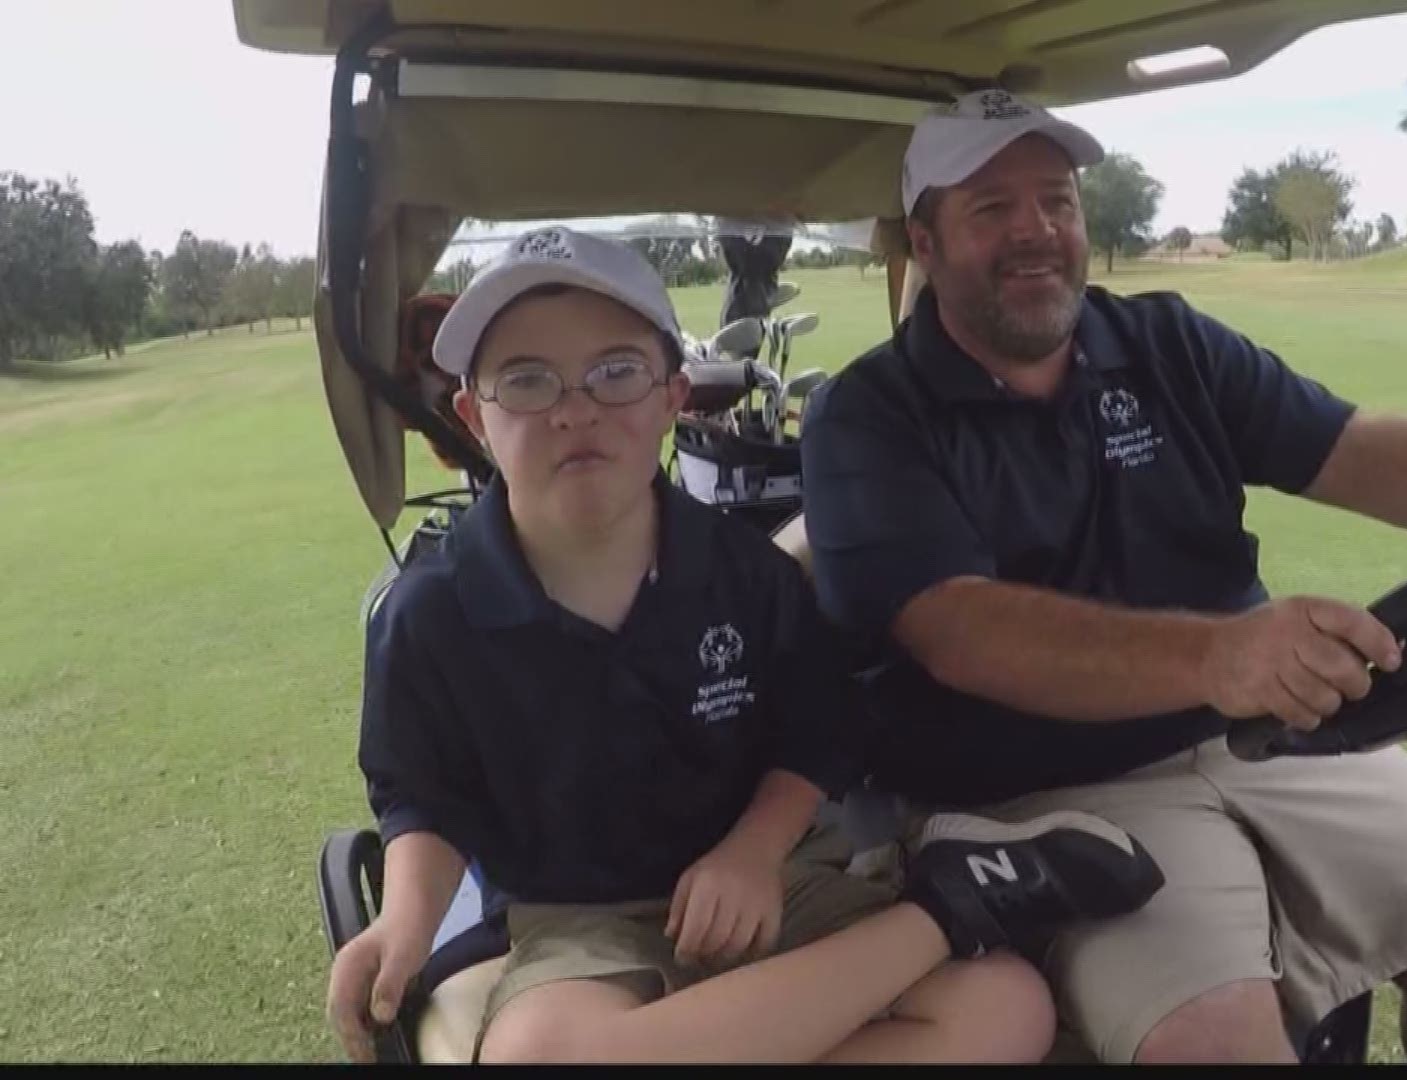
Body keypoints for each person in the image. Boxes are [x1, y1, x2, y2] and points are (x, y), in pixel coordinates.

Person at [800, 90, 1407, 1064]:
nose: (1037, 231)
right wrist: (1221, 655)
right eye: (991, 209)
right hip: (1043, 788)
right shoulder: (869, 417)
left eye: (1058, 201)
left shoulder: (1164, 343)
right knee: (1217, 1045)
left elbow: (1349, 445)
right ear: (927, 245)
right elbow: (958, 630)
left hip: (1260, 736)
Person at [324, 226, 1166, 1065]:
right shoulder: (430, 612)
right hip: (578, 924)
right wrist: (404, 923)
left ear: (671, 398)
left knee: (1005, 1006)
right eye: (528, 380)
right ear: (473, 415)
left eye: (615, 372)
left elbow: (819, 733)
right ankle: (941, 918)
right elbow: (424, 799)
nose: (574, 408)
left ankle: (950, 904)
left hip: (769, 888)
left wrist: (752, 853)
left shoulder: (746, 575)